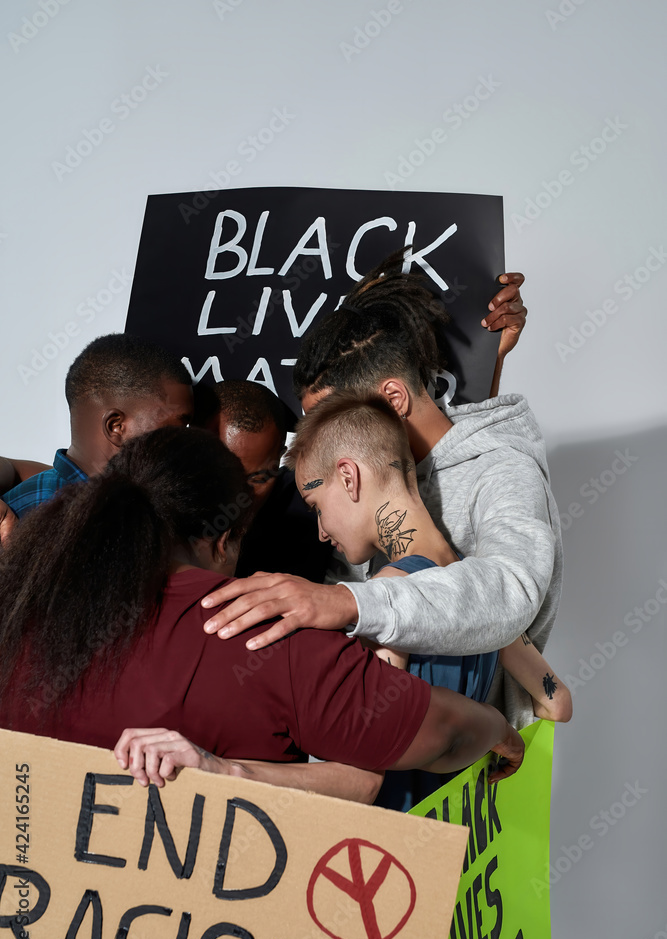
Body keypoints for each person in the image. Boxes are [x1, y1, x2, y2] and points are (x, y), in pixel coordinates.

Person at [0, 426, 524, 800]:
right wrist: (500, 727)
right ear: (224, 539)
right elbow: (449, 734)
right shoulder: (264, 634)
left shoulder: (20, 608)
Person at [198, 252, 561, 730]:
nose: (328, 439)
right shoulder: (366, 484)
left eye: (335, 417)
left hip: (472, 780)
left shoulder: (500, 470)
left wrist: (350, 604)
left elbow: (511, 591)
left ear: (393, 399)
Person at [286, 389, 571, 809]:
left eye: (315, 506)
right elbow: (557, 702)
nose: (321, 532)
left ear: (349, 477)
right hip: (463, 834)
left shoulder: (385, 603)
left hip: (397, 844)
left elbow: (360, 769)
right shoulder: (476, 597)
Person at [1, 333, 194, 520]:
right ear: (116, 427)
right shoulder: (41, 518)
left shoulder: (124, 506)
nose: (188, 443)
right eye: (177, 428)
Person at [205, 380, 329, 581]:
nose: (240, 495)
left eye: (258, 479)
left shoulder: (308, 512)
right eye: (224, 475)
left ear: (281, 457)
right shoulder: (164, 507)